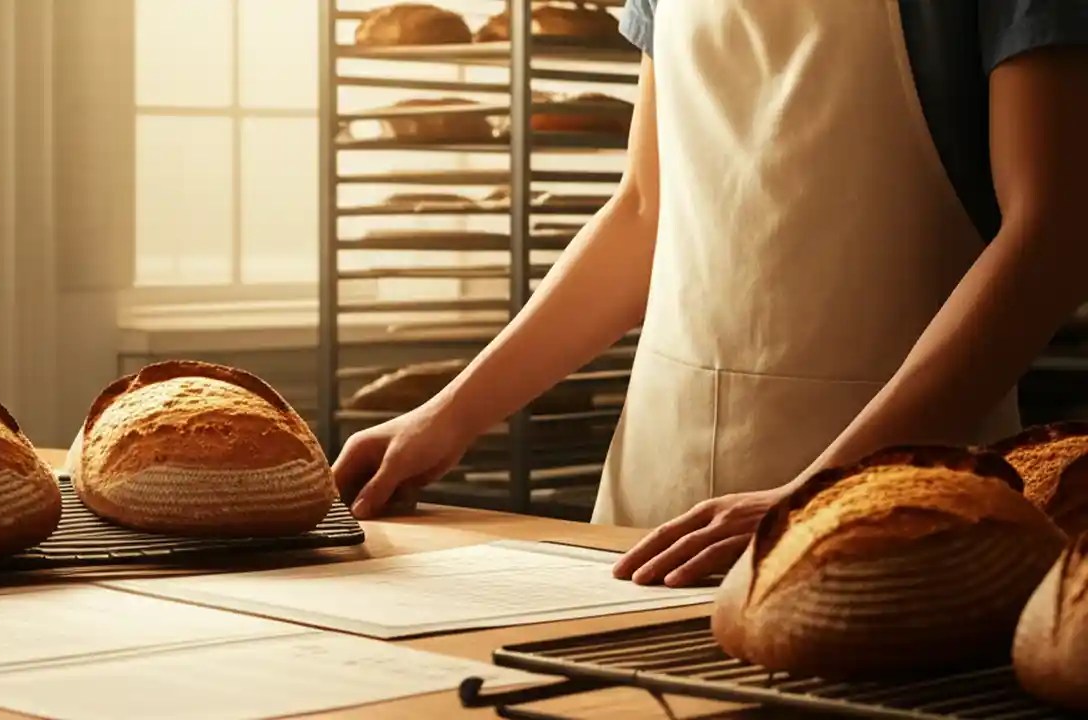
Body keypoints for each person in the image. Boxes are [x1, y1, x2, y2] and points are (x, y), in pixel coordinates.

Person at [332, 1, 1088, 587]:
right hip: (655, 483)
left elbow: (1054, 236)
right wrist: (451, 414)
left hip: (885, 497)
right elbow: (642, 214)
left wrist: (820, 492)